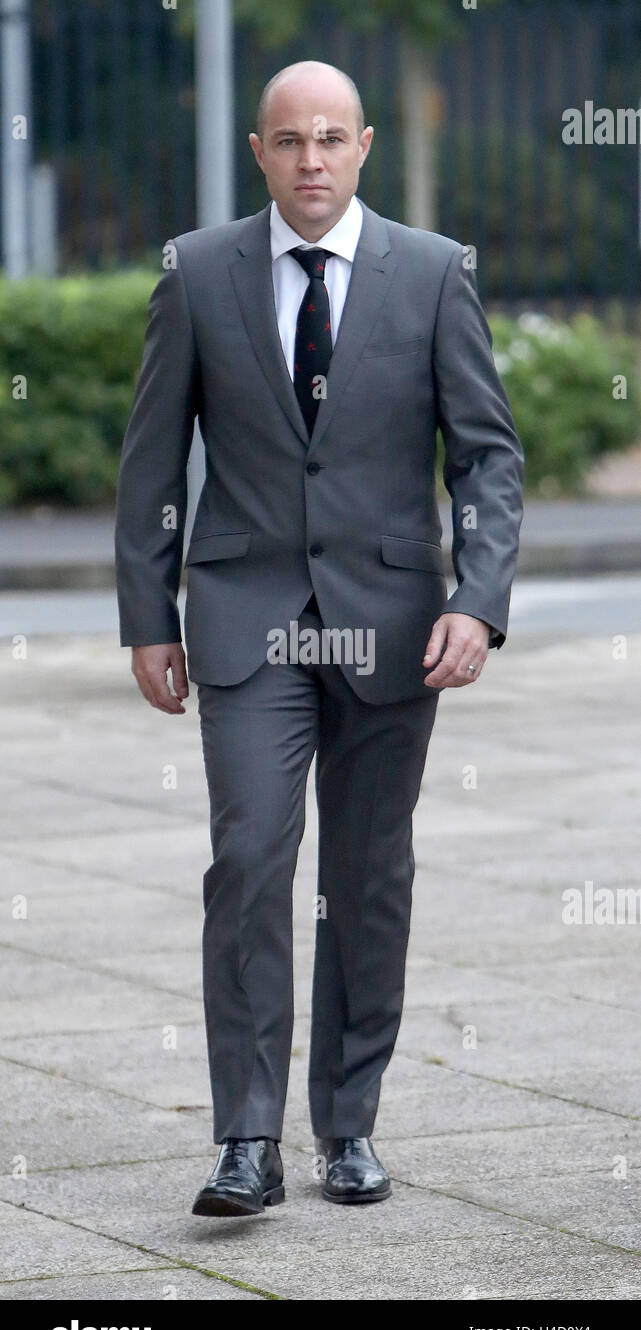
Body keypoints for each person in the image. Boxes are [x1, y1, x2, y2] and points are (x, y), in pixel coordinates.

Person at [115, 60, 524, 1217]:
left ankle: (348, 1124)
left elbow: (486, 457)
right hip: (247, 626)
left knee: (364, 875)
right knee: (248, 860)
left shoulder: (435, 275)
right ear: (257, 151)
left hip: (394, 627)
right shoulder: (197, 274)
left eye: (330, 138)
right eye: (288, 140)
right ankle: (247, 1138)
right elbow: (151, 467)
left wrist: (475, 597)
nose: (309, 159)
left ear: (364, 147)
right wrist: (148, 616)